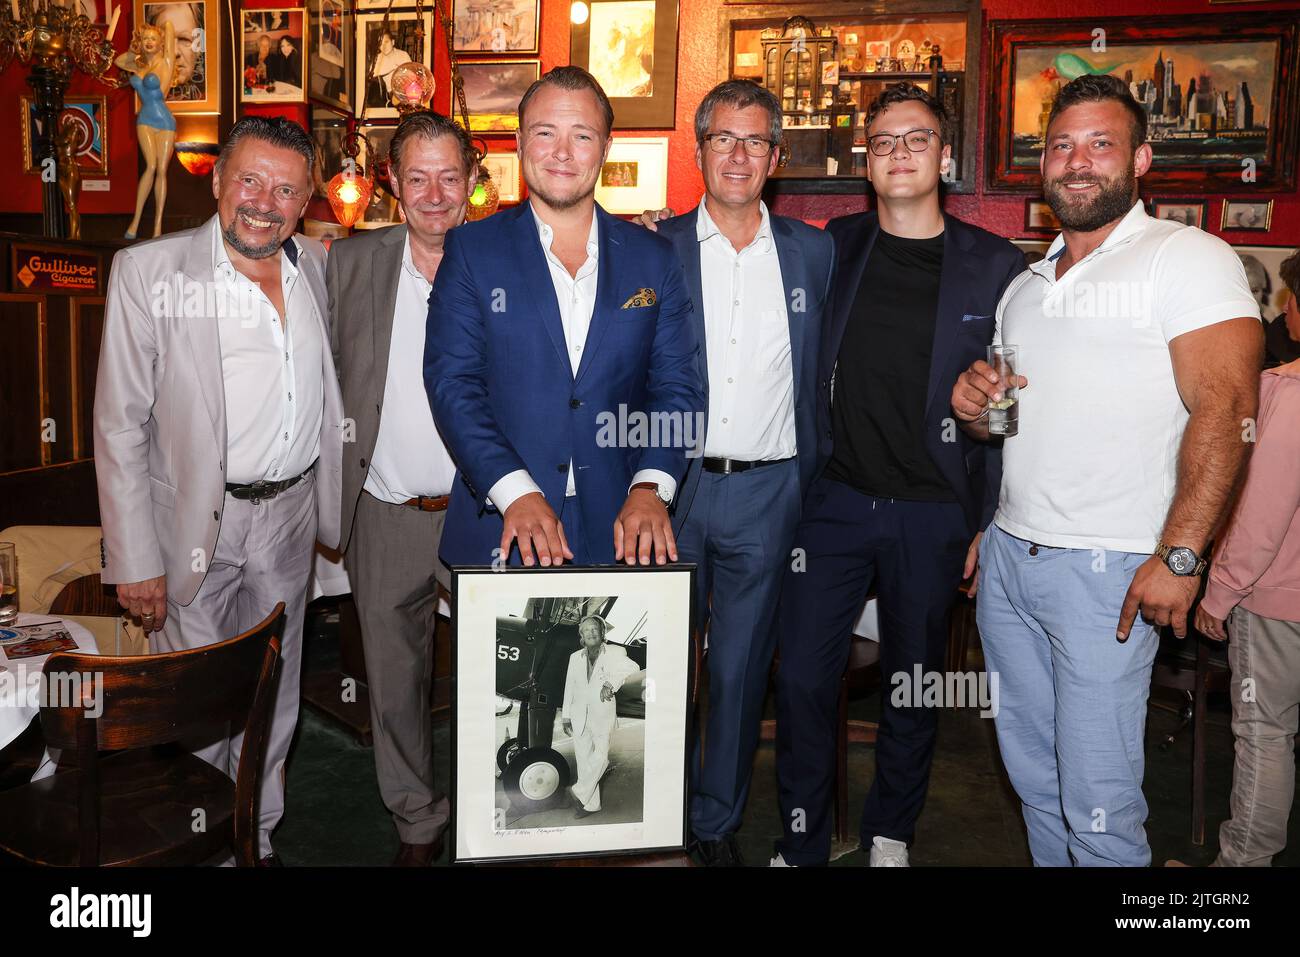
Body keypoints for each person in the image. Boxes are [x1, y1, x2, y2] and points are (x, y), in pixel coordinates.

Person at [951, 74, 1262, 867]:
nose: (1077, 160)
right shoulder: (1025, 285)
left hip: (1111, 569)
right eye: (1061, 145)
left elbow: (1226, 409)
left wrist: (1182, 556)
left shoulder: (1187, 258)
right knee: (1035, 781)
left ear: (1141, 159)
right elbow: (1010, 428)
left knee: (1097, 801)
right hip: (1011, 562)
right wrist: (976, 410)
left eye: (1100, 144)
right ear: (1042, 165)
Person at [772, 83, 1025, 868]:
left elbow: (1011, 408)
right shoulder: (834, 246)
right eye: (883, 142)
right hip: (836, 499)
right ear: (867, 162)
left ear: (945, 157)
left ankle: (891, 831)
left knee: (914, 683)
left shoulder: (997, 266)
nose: (900, 153)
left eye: (917, 139)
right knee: (802, 677)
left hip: (934, 508)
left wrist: (990, 518)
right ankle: (803, 837)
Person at [94, 116, 344, 865]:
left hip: (291, 514)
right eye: (250, 181)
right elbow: (118, 424)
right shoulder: (150, 273)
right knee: (199, 701)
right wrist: (135, 558)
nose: (265, 202)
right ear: (217, 182)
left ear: (306, 201)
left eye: (287, 190)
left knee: (275, 692)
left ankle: (253, 839)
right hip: (194, 524)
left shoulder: (317, 267)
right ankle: (201, 848)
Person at [637, 79, 834, 866]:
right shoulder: (653, 247)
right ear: (700, 150)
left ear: (776, 157)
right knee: (653, 663)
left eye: (756, 141)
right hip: (670, 490)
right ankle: (650, 813)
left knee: (740, 670)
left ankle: (714, 821)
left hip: (768, 490)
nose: (739, 155)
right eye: (724, 138)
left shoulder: (814, 252)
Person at [424, 66, 704, 570]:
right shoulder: (470, 251)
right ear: (519, 143)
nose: (562, 152)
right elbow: (453, 384)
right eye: (545, 133)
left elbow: (677, 387)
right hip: (502, 527)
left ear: (606, 148)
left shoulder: (655, 258)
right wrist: (515, 491)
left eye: (582, 136)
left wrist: (652, 486)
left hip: (625, 529)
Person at [327, 112, 477, 867]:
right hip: (384, 512)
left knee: (501, 678)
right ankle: (417, 823)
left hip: (485, 515)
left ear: (472, 180)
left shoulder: (507, 260)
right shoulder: (349, 262)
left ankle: (494, 815)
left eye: (449, 176)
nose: (434, 193)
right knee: (393, 686)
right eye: (417, 177)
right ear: (390, 181)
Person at [1195, 250, 1300, 867]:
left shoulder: (1288, 393)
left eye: (1293, 297)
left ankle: (1242, 870)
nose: (1286, 309)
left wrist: (1218, 593)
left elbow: (1262, 515)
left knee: (1264, 732)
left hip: (1279, 600)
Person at [561, 616, 641, 818]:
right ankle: (590, 805)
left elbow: (633, 667)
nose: (591, 633)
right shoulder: (574, 657)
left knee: (601, 758)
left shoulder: (615, 652)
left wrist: (610, 683)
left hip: (602, 715)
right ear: (581, 634)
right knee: (584, 762)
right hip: (578, 716)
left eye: (595, 628)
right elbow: (569, 687)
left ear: (602, 632)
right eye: (586, 630)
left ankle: (579, 791)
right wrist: (566, 716)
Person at [115, 22, 177, 240]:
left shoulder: (167, 62)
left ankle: (157, 226)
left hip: (165, 122)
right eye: (145, 39)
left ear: (161, 43)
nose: (149, 42)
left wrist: (161, 29)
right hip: (144, 119)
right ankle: (135, 222)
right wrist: (135, 49)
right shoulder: (138, 65)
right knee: (150, 167)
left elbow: (169, 28)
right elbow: (118, 61)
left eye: (153, 39)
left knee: (161, 170)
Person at [367, 30, 411, 110]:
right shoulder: (378, 58)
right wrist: (394, 67)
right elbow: (372, 74)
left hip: (407, 89)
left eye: (386, 42)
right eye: (381, 44)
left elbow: (411, 73)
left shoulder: (403, 55)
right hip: (392, 93)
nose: (384, 46)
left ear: (393, 42)